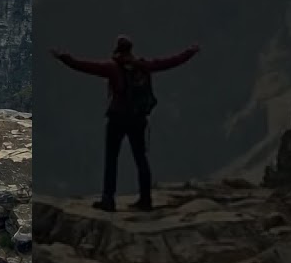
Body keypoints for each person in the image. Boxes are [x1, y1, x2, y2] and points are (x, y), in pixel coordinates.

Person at [49, 36, 200, 212]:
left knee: (111, 159)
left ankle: (108, 200)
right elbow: (169, 62)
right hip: (138, 119)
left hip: (118, 119)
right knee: (141, 159)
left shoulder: (112, 68)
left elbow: (85, 66)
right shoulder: (143, 66)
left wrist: (64, 58)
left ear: (117, 50)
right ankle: (145, 200)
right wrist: (190, 52)